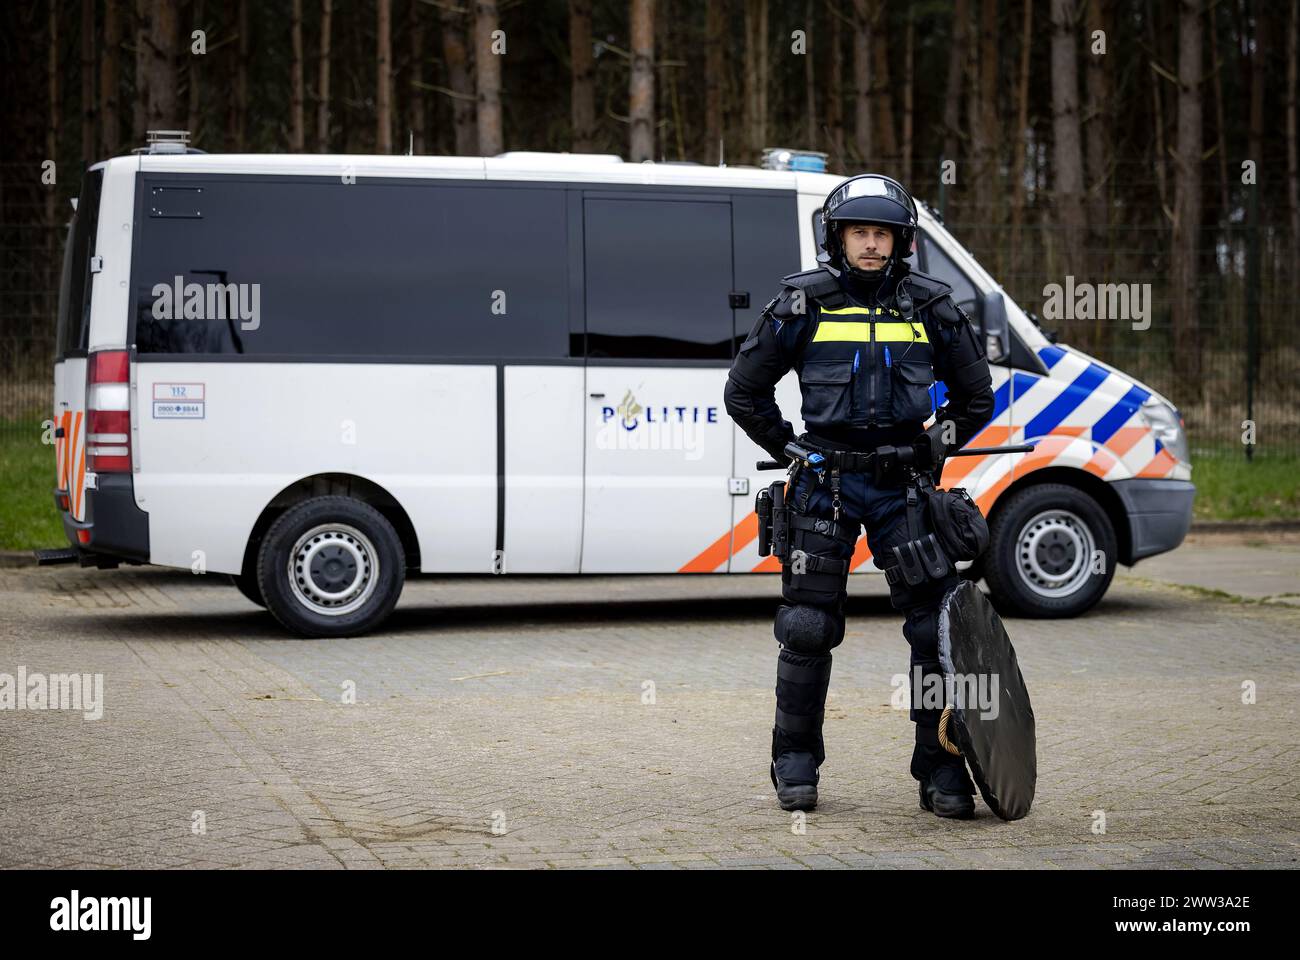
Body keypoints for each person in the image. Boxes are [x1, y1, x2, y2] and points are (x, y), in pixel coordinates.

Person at [723, 173, 995, 817]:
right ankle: (795, 762)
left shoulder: (932, 305)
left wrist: (935, 444)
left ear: (901, 241)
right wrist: (791, 449)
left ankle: (941, 766)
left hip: (904, 488)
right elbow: (744, 392)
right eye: (859, 232)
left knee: (935, 632)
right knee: (808, 627)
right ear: (837, 238)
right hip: (825, 486)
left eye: (882, 234)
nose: (870, 245)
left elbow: (976, 398)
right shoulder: (801, 302)